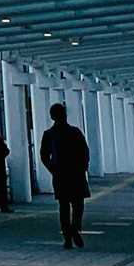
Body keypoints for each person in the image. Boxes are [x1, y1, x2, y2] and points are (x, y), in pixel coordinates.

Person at [40, 101, 91, 249]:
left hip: (60, 175)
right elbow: (85, 151)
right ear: (65, 115)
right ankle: (75, 228)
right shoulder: (75, 132)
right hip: (76, 173)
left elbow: (44, 155)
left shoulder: (49, 134)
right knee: (78, 204)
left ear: (52, 116)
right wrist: (83, 167)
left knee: (63, 207)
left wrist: (53, 169)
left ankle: (67, 237)